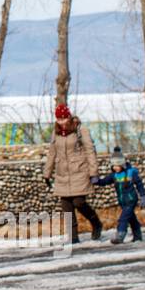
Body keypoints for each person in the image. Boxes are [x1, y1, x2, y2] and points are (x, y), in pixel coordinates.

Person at [44, 103, 103, 244]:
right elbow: (52, 153)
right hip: (62, 174)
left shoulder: (80, 129)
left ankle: (96, 223)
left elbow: (90, 150)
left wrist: (94, 172)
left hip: (79, 171)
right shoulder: (56, 132)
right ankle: (73, 238)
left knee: (79, 202)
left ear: (69, 117)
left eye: (64, 118)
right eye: (59, 119)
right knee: (67, 207)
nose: (61, 122)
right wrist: (47, 173)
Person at [94, 146, 145, 244]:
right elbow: (104, 181)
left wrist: (143, 196)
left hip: (131, 200)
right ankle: (138, 235)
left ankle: (120, 235)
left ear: (123, 164)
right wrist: (96, 181)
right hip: (122, 201)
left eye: (118, 165)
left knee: (123, 218)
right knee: (131, 218)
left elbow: (139, 184)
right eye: (114, 165)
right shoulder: (114, 175)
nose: (115, 167)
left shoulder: (130, 173)